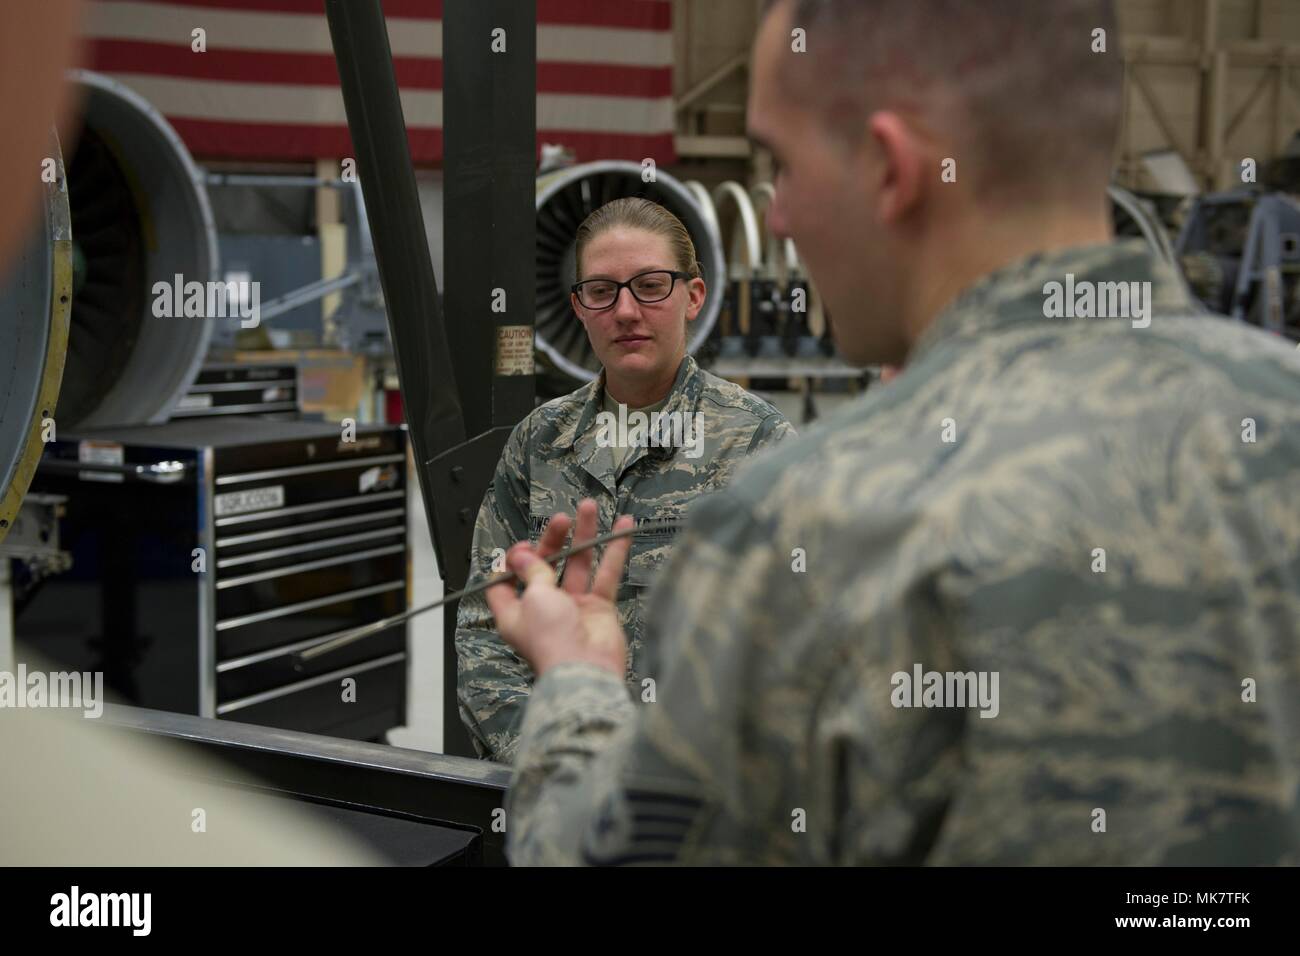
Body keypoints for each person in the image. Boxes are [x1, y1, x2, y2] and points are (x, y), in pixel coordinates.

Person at [483, 0, 1300, 865]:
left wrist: (576, 681)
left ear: (889, 168)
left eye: (785, 165)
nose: (783, 217)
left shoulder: (812, 521)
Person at [456, 197, 794, 762]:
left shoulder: (759, 444)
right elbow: (485, 628)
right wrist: (559, 764)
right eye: (602, 291)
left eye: (651, 285)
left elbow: (791, 648)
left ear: (694, 296)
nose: (627, 311)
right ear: (579, 307)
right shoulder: (539, 442)